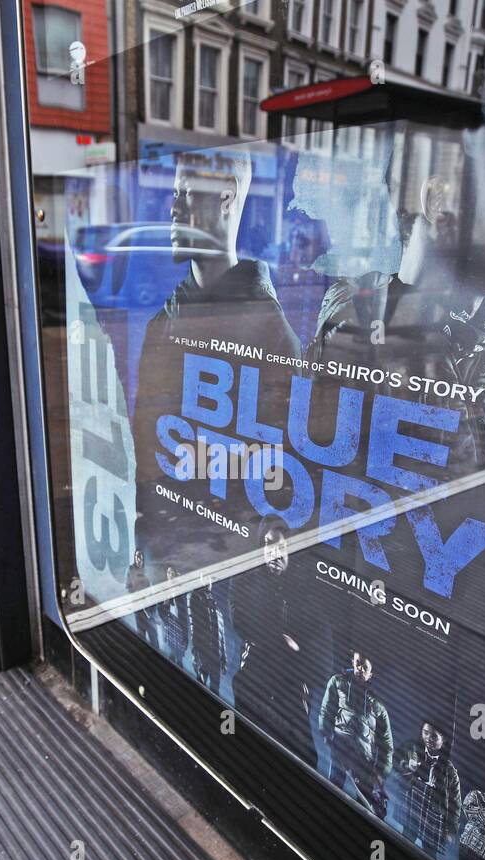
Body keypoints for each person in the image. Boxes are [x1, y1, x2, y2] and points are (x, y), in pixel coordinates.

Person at [308, 107, 485, 821]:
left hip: (453, 782)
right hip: (345, 732)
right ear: (439, 192)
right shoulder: (342, 343)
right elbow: (290, 525)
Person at [131, 149, 302, 574]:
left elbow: (284, 475)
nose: (171, 208)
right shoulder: (164, 323)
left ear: (226, 198)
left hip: (230, 561)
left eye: (184, 193)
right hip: (170, 554)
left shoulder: (271, 334)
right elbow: (145, 453)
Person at [229, 518, 326, 770]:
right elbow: (241, 621)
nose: (276, 553)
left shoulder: (305, 590)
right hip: (255, 676)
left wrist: (298, 655)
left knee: (301, 758)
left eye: (283, 547)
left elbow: (317, 641)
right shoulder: (244, 580)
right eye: (269, 544)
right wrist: (281, 640)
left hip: (292, 684)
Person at [319, 649, 394, 817]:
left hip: (363, 760)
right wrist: (326, 733)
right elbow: (327, 710)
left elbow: (387, 745)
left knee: (365, 805)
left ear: (371, 673)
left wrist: (382, 772)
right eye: (357, 663)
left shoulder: (378, 707)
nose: (359, 669)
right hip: (339, 746)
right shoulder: (337, 682)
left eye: (364, 667)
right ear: (353, 662)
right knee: (333, 788)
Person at [394, 719, 462, 860]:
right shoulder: (411, 748)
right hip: (413, 800)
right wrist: (406, 766)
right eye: (425, 733)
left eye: (434, 736)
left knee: (429, 853)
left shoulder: (450, 771)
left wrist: (451, 829)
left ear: (444, 740)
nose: (428, 738)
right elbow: (395, 759)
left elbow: (455, 802)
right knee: (406, 838)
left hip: (434, 810)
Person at [188, 577, 227, 696]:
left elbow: (222, 635)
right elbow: (194, 626)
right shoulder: (195, 598)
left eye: (210, 580)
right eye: (205, 580)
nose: (208, 583)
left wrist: (224, 659)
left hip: (216, 657)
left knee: (215, 692)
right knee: (201, 689)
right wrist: (196, 653)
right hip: (204, 655)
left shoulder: (217, 607)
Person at [156, 565, 189, 666]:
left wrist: (186, 636)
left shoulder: (180, 593)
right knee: (169, 658)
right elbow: (160, 610)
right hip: (169, 626)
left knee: (179, 660)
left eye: (172, 572)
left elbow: (184, 615)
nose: (170, 574)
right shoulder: (163, 592)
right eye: (168, 572)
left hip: (179, 628)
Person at [125, 549, 159, 645]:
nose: (138, 558)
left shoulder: (146, 571)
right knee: (141, 636)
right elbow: (128, 587)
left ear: (143, 559)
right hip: (138, 608)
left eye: (140, 556)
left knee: (153, 636)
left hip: (149, 608)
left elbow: (151, 589)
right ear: (135, 558)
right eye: (137, 556)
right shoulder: (131, 569)